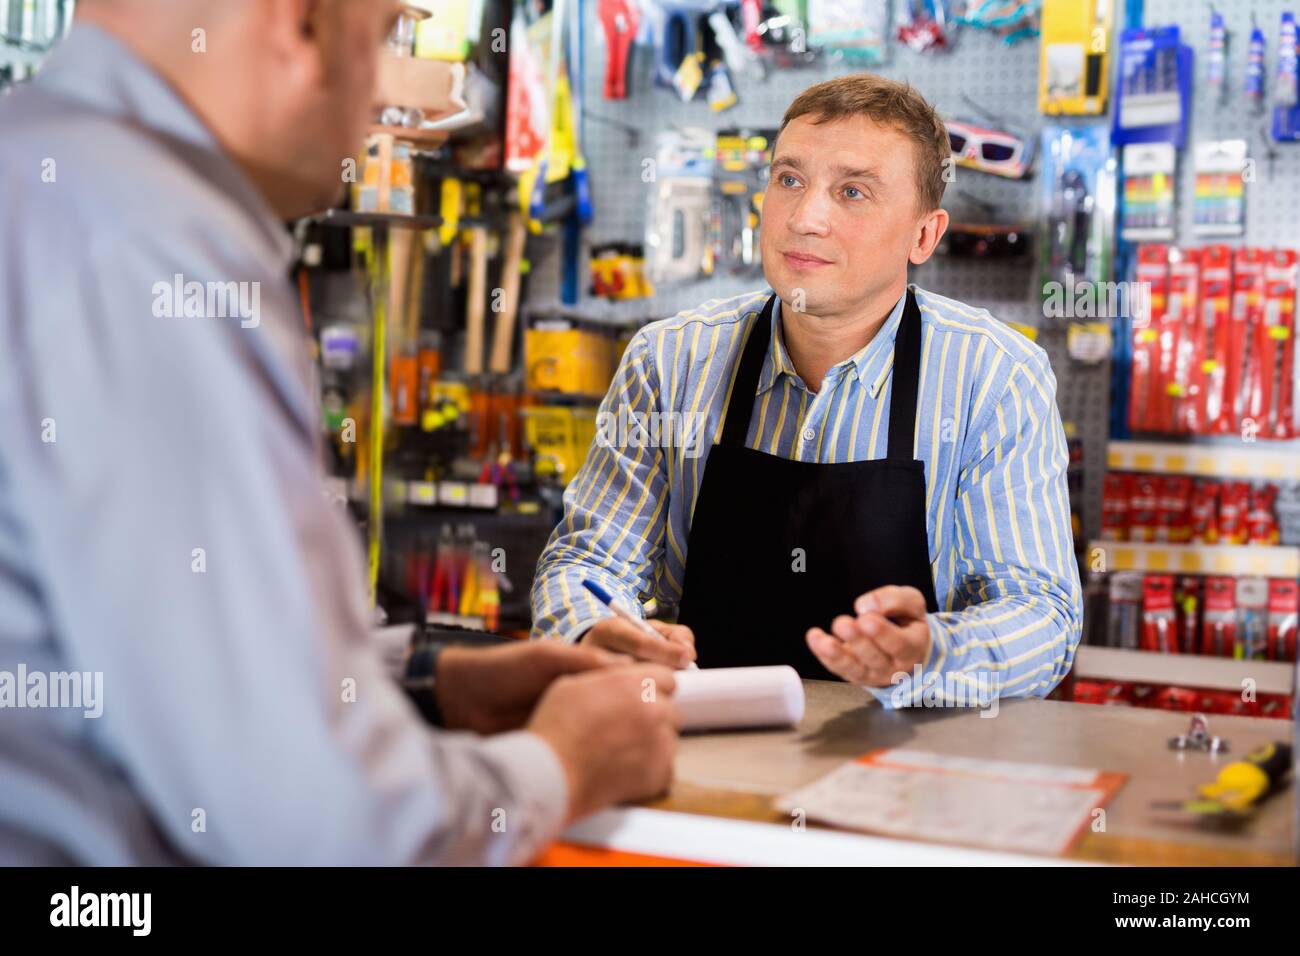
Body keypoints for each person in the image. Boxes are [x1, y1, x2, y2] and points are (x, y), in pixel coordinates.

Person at [0, 0, 679, 866]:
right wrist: (563, 764)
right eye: (388, 33)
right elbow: (327, 830)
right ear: (301, 24)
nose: (388, 90)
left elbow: (143, 656)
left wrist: (426, 677)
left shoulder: (44, 173)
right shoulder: (149, 249)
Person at [532, 74, 1083, 706]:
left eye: (852, 191)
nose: (805, 217)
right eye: (789, 179)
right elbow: (588, 562)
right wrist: (591, 629)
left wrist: (936, 649)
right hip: (704, 756)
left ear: (923, 236)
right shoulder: (670, 362)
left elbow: (1042, 613)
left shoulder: (995, 377)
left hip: (911, 770)